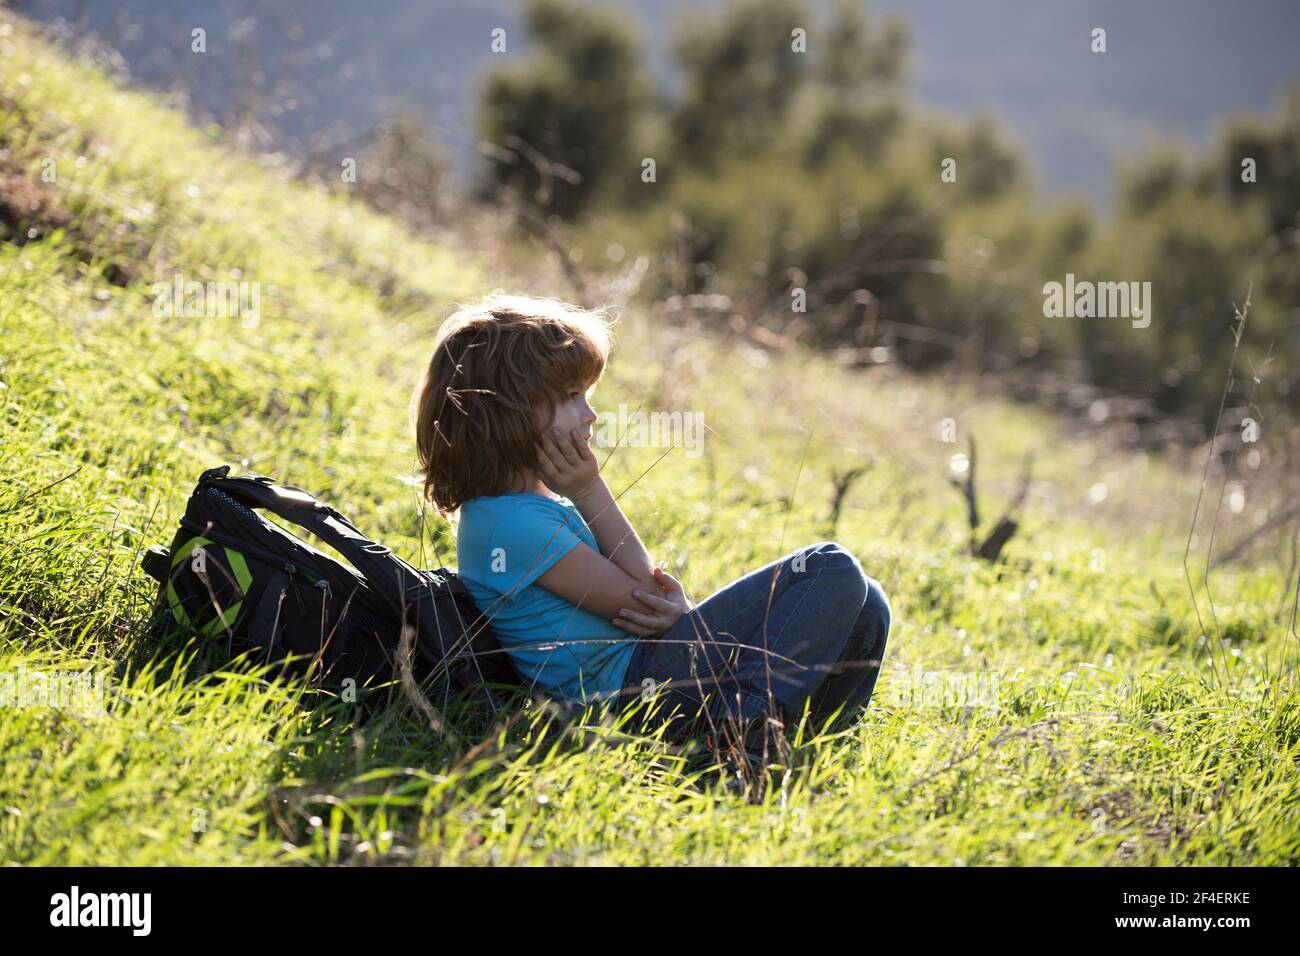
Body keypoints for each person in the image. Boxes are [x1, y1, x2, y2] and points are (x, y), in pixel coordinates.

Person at [413, 293, 891, 752]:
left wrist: (675, 613)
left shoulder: (521, 508)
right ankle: (742, 741)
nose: (591, 414)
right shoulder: (507, 523)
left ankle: (804, 736)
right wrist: (588, 489)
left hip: (644, 680)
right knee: (829, 567)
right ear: (509, 411)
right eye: (572, 396)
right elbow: (644, 600)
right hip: (625, 701)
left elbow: (646, 603)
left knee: (870, 602)